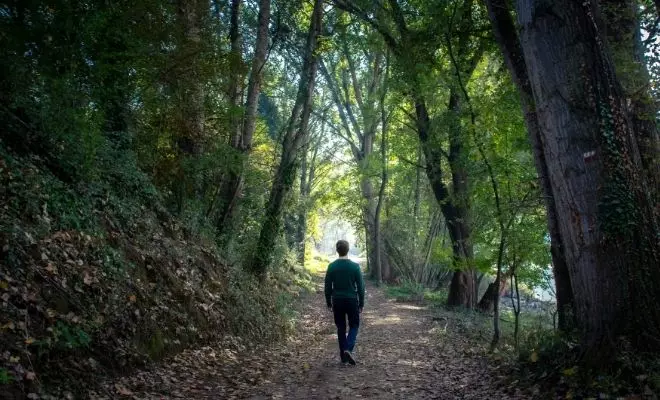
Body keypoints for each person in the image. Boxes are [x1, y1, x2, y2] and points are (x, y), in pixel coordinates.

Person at [324, 240, 365, 365]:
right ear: (348, 250)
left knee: (341, 327)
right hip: (352, 300)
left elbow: (327, 286)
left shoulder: (332, 266)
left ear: (337, 250)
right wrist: (361, 303)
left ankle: (343, 355)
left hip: (337, 300)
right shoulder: (355, 266)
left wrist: (328, 302)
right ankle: (348, 349)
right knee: (354, 325)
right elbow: (361, 286)